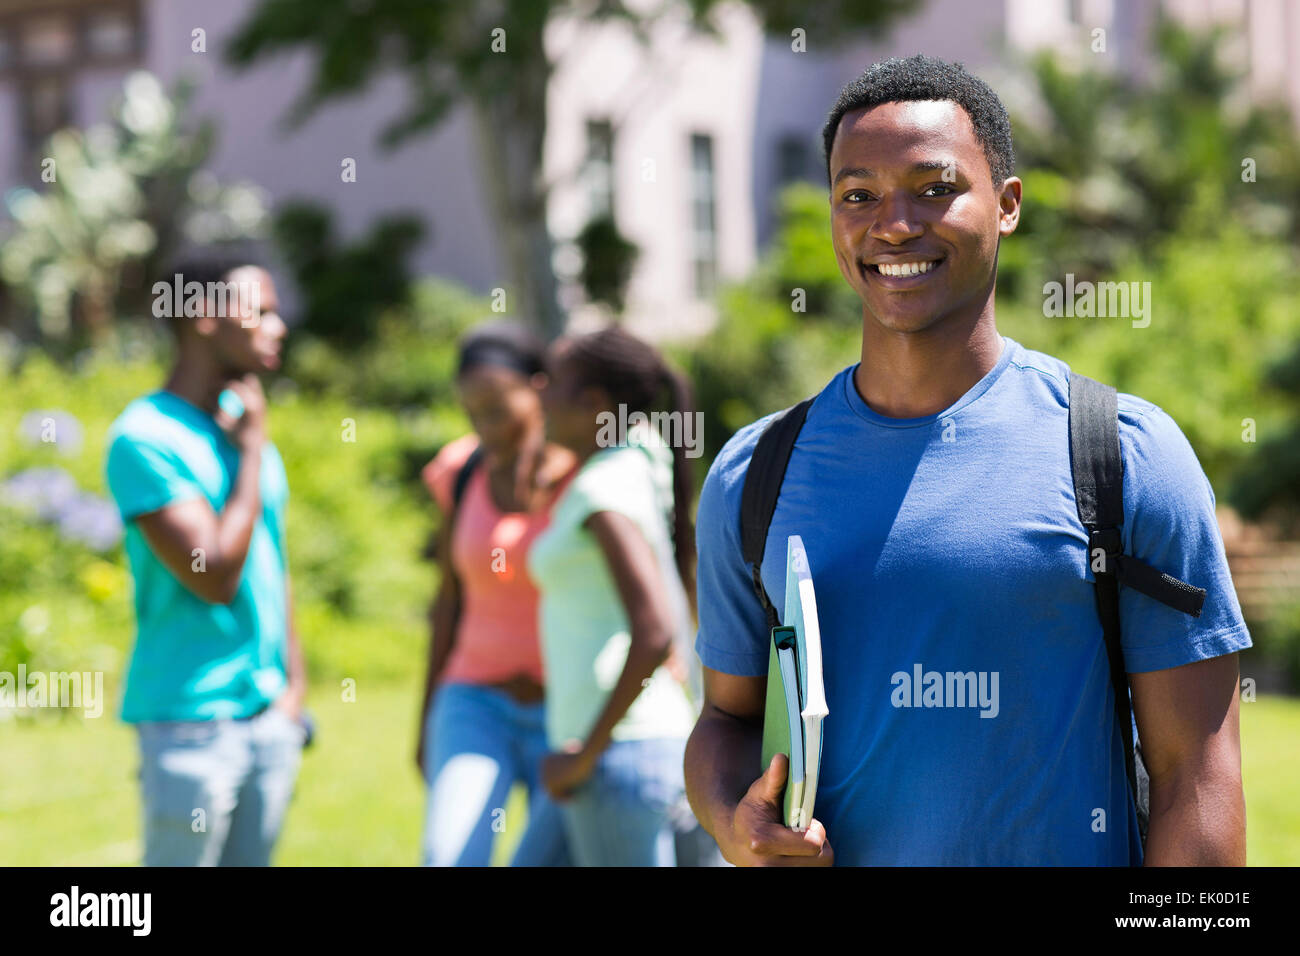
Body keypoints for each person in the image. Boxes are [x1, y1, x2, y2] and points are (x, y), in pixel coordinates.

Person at [686, 55, 1252, 866]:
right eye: (859, 195)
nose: (894, 223)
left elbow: (1195, 772)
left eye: (934, 186)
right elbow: (725, 720)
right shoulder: (754, 476)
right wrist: (732, 821)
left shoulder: (1121, 457)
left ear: (1007, 205)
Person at [105, 258, 307, 866]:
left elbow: (273, 562)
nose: (278, 327)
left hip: (267, 717)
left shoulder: (243, 430)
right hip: (191, 722)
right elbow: (214, 573)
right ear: (203, 317)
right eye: (261, 311)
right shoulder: (145, 438)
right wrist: (249, 455)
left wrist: (292, 693)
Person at [530, 326, 721, 867]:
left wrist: (584, 755)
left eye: (555, 382)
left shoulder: (603, 491)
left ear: (593, 402)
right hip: (644, 746)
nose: (539, 390)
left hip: (612, 753)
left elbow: (654, 631)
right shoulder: (636, 459)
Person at [416, 321, 578, 867]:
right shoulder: (458, 471)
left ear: (537, 386)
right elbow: (448, 598)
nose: (482, 424)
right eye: (470, 410)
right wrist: (425, 715)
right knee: (450, 855)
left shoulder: (582, 474)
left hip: (565, 711)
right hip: (474, 700)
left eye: (495, 405)